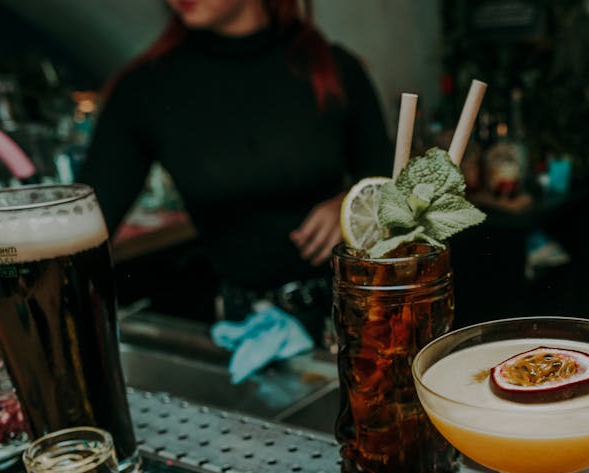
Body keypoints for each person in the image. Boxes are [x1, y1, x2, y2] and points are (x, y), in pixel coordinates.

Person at [80, 0, 391, 336]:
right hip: (243, 327)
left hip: (356, 320)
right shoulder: (145, 88)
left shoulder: (331, 67)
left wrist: (351, 206)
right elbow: (86, 220)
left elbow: (392, 186)